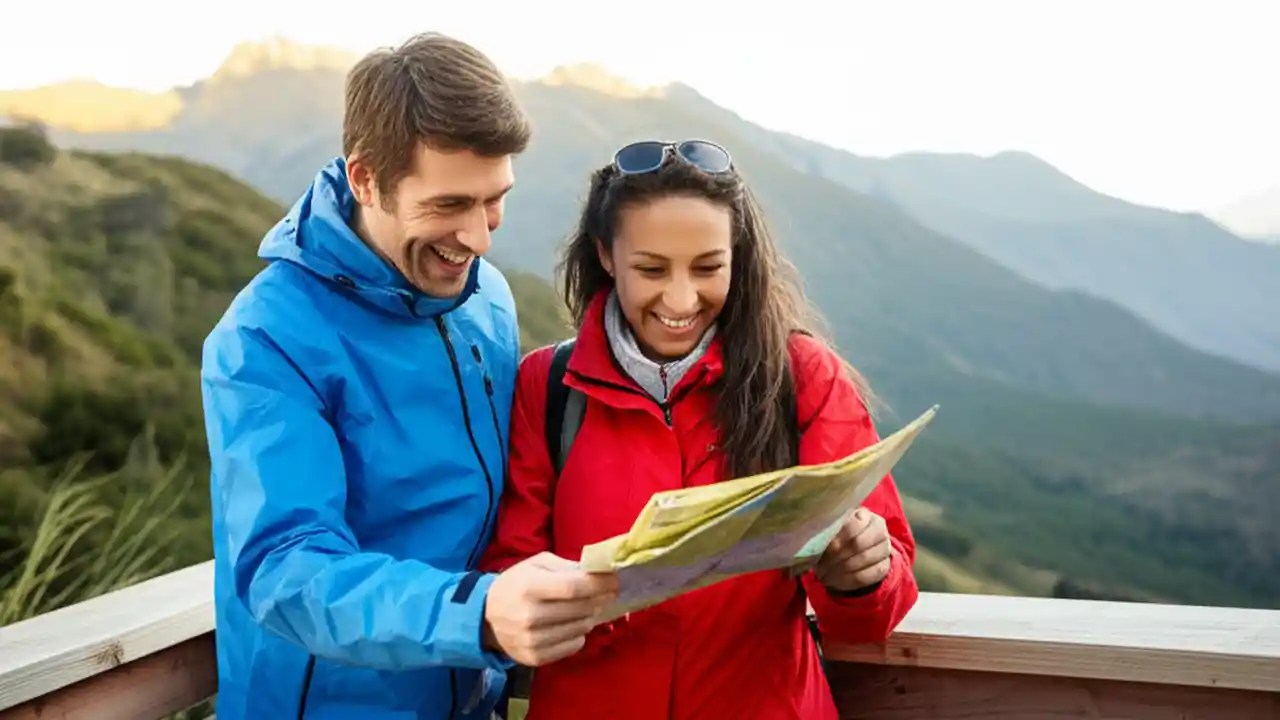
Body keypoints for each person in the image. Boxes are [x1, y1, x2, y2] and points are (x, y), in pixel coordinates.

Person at [200, 33, 618, 720]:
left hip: (467, 698)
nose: (481, 239)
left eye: (495, 199)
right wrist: (477, 615)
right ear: (366, 180)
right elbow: (284, 570)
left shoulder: (486, 299)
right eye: (449, 205)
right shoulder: (264, 339)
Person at [480, 139, 920, 718]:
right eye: (651, 269)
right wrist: (544, 603)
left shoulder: (803, 378)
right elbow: (509, 569)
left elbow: (873, 612)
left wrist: (863, 573)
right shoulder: (549, 386)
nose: (682, 299)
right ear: (606, 256)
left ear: (738, 255)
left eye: (709, 267)